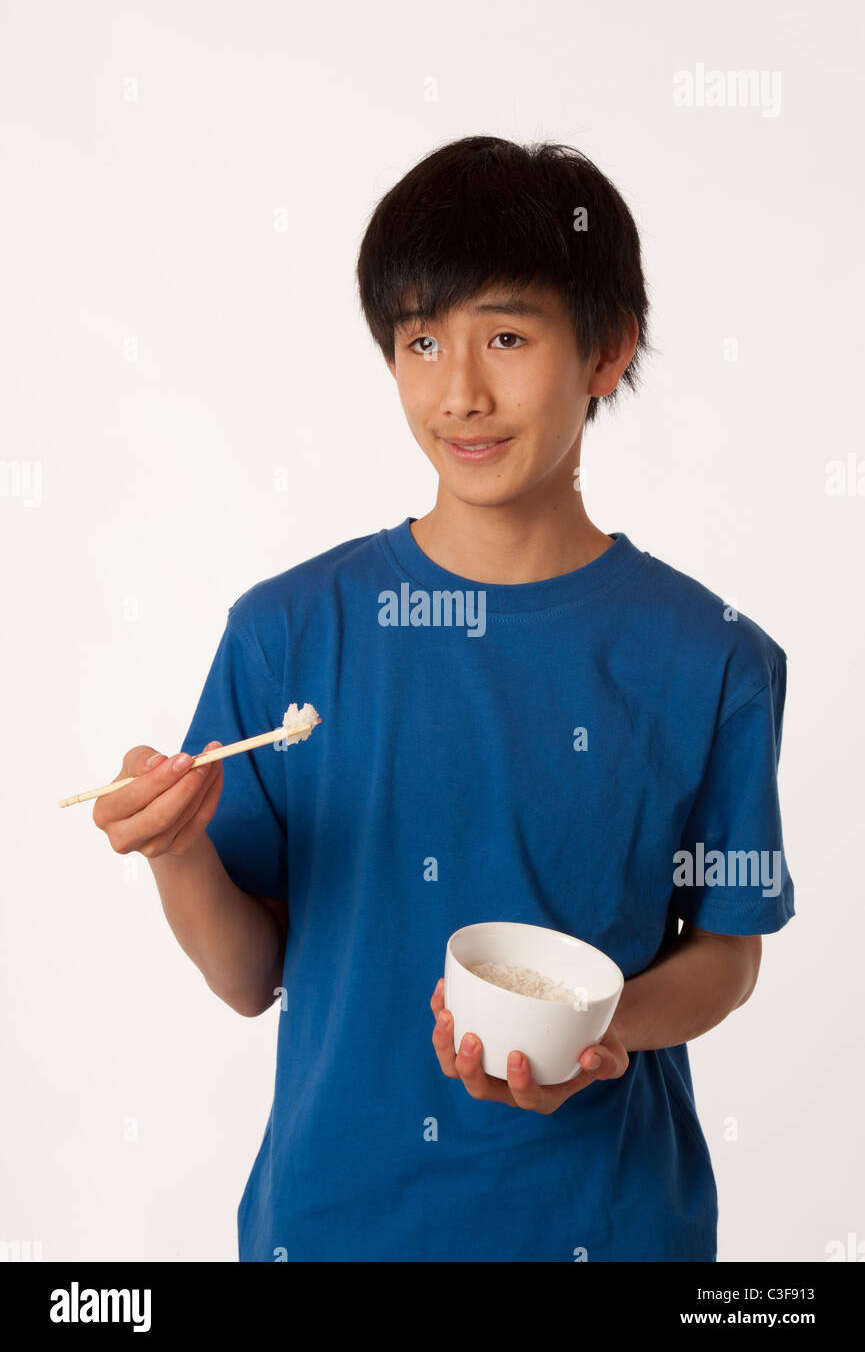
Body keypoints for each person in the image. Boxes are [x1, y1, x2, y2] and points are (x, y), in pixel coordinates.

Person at [93, 136, 795, 1262]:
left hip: (611, 1228)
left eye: (506, 338)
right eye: (421, 341)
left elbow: (728, 952)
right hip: (333, 1229)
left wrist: (606, 1029)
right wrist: (176, 850)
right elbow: (246, 978)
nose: (459, 391)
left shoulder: (711, 658)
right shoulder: (285, 631)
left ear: (605, 351)